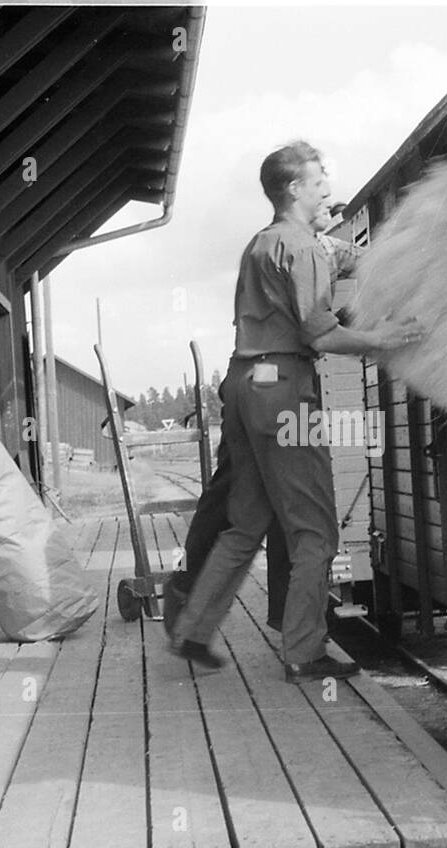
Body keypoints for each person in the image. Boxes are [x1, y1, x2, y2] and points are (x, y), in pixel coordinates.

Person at [168, 141, 420, 681]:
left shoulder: (265, 243)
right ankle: (305, 652)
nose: (327, 184)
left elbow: (335, 256)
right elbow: (321, 330)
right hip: (285, 389)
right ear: (293, 189)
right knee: (316, 531)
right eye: (318, 177)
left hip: (243, 386)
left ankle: (192, 628)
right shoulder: (304, 250)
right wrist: (385, 337)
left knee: (248, 522)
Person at [162, 202, 358, 634]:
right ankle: (196, 594)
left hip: (271, 382)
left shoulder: (301, 245)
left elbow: (358, 261)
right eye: (322, 200)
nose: (328, 208)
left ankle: (273, 611)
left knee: (262, 499)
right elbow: (318, 320)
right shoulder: (303, 247)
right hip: (275, 387)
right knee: (258, 497)